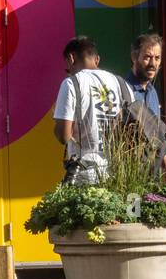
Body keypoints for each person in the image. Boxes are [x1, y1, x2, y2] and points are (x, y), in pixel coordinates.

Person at [53, 36, 134, 185]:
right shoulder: (122, 84)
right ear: (97, 59)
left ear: (71, 58)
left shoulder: (71, 83)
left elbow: (63, 136)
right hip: (118, 174)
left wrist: (57, 123)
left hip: (84, 175)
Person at [124, 32, 166, 173]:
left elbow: (158, 136)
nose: (153, 64)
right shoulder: (124, 90)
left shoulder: (152, 92)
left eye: (157, 58)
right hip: (132, 175)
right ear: (134, 57)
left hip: (154, 174)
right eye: (147, 57)